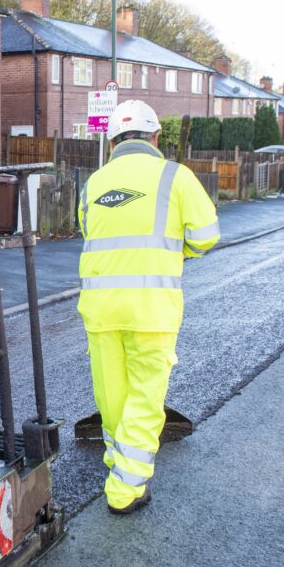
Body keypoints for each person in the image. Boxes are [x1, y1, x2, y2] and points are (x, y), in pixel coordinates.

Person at [77, 100, 219, 515]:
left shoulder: (95, 182)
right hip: (152, 309)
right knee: (144, 395)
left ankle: (118, 464)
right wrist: (178, 251)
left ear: (114, 141)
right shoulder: (176, 176)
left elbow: (89, 232)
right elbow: (207, 235)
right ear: (156, 138)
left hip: (100, 308)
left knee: (113, 396)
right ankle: (126, 489)